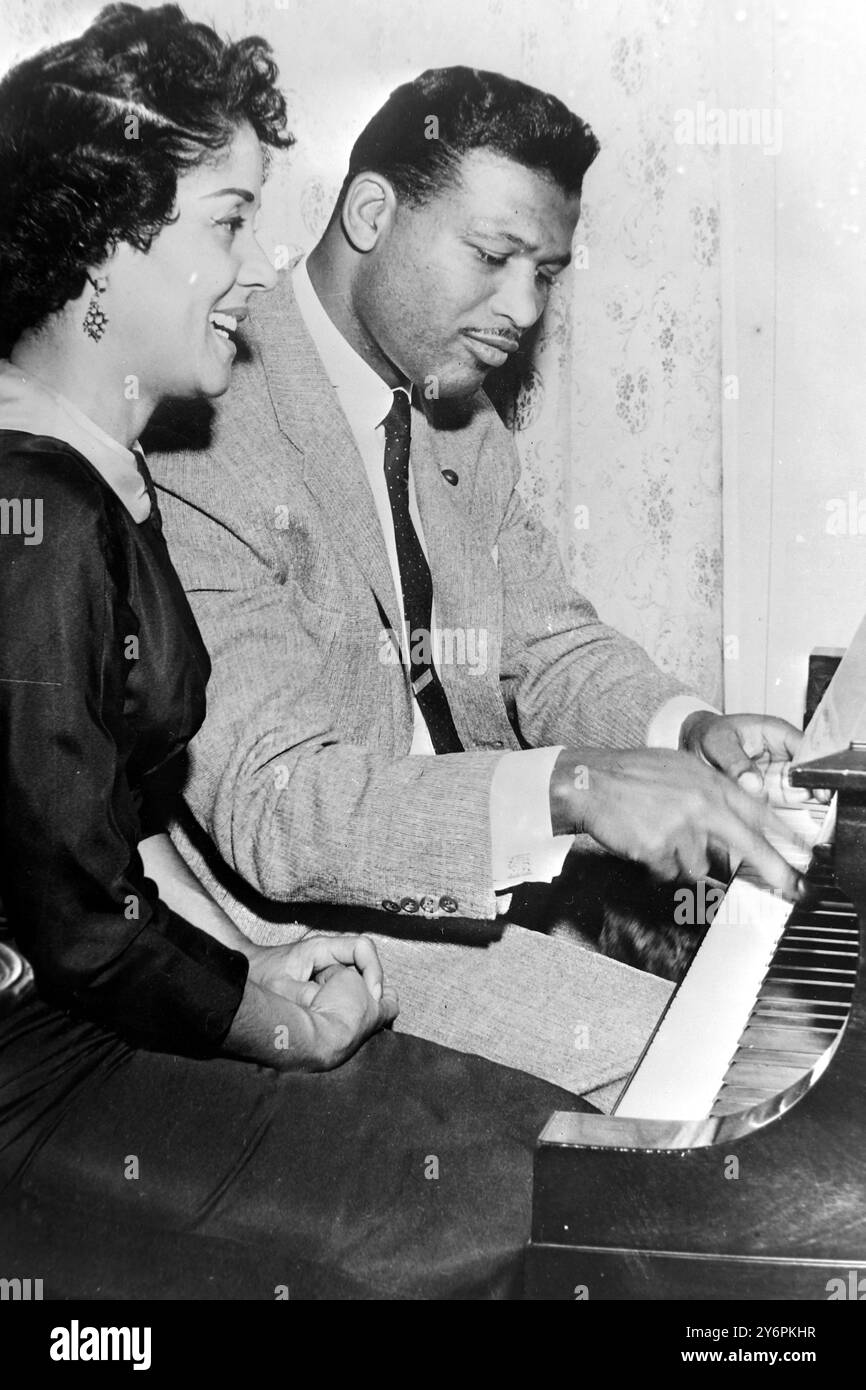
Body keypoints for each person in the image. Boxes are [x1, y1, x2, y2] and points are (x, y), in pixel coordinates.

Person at [0, 6, 576, 1301]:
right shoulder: (31, 519)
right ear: (103, 251)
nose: (257, 265)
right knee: (503, 1212)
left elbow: (110, 818)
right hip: (35, 1076)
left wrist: (254, 965)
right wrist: (274, 1019)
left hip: (106, 1002)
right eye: (223, 222)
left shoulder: (96, 474)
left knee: (532, 1139)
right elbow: (78, 928)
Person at [147, 66, 811, 1105]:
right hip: (330, 935)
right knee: (732, 1082)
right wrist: (572, 785)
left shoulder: (456, 413)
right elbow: (282, 810)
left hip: (502, 884)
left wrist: (683, 728)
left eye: (543, 272)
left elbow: (545, 643)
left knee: (781, 1018)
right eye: (493, 257)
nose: (520, 308)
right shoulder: (203, 425)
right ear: (370, 212)